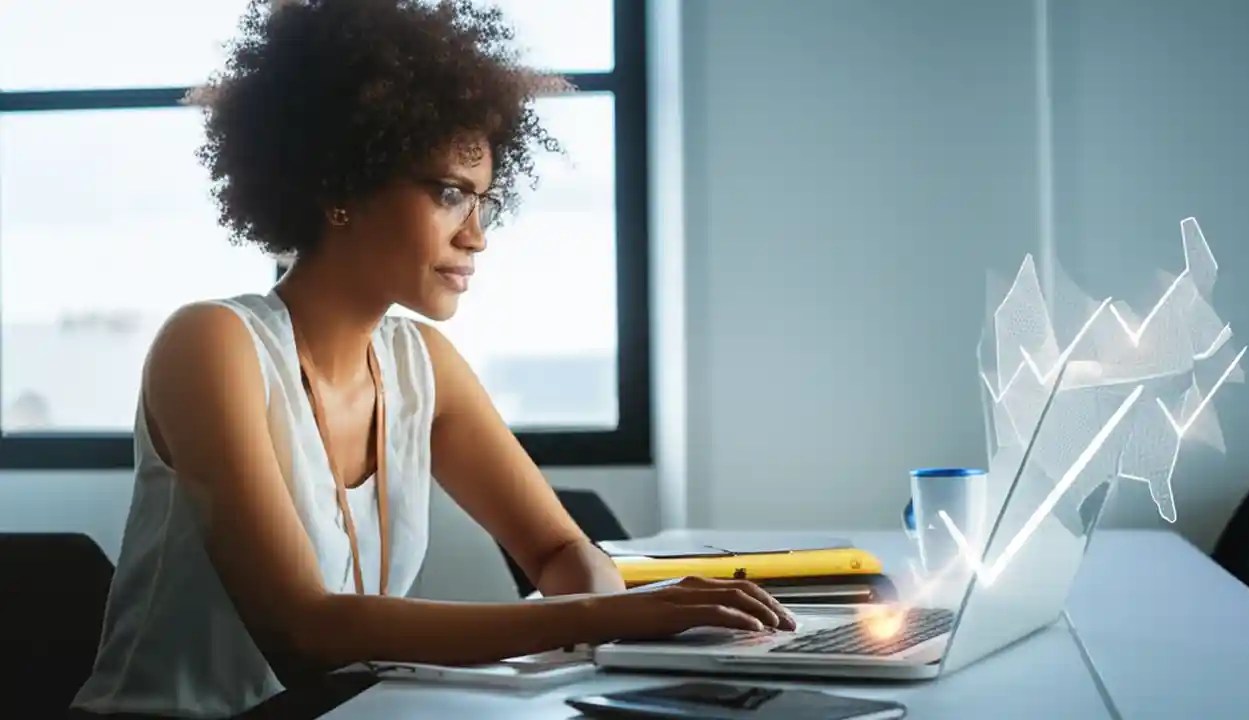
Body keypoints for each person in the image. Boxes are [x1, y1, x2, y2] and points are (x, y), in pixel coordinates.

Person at [70, 1, 794, 717]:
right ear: (339, 186)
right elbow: (305, 632)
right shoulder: (211, 346)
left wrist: (615, 625)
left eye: (484, 201)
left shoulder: (422, 363)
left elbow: (557, 550)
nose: (476, 236)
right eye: (450, 193)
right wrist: (608, 618)